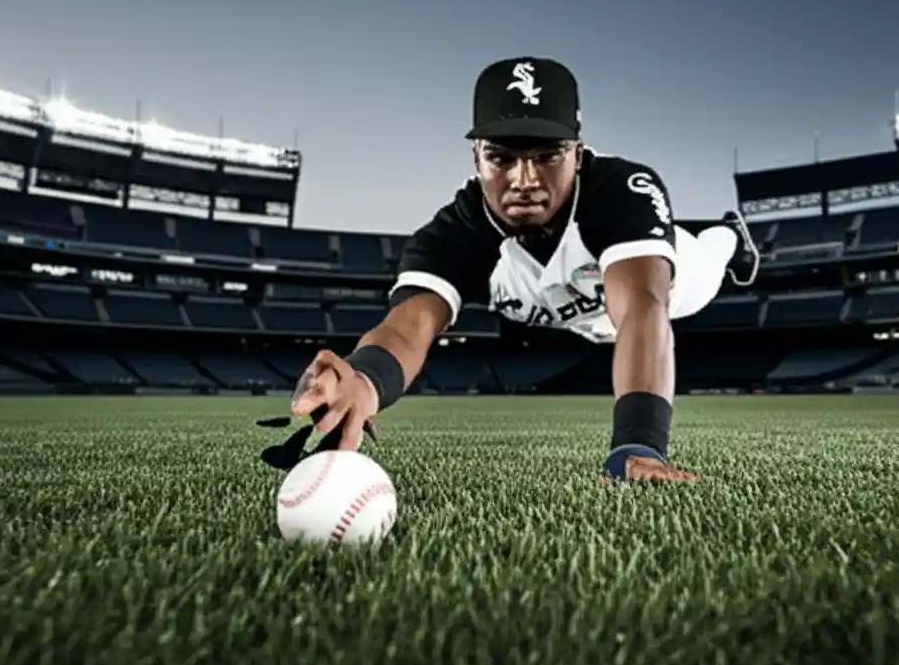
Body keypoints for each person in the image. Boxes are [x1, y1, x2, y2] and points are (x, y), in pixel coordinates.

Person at [274, 57, 758, 483]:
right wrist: (365, 378)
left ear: (578, 154)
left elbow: (641, 310)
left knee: (708, 257)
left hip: (662, 287)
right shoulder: (454, 230)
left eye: (547, 156)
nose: (524, 180)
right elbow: (410, 325)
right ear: (476, 157)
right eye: (501, 158)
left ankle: (731, 236)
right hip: (559, 305)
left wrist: (638, 443)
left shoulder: (622, 191)